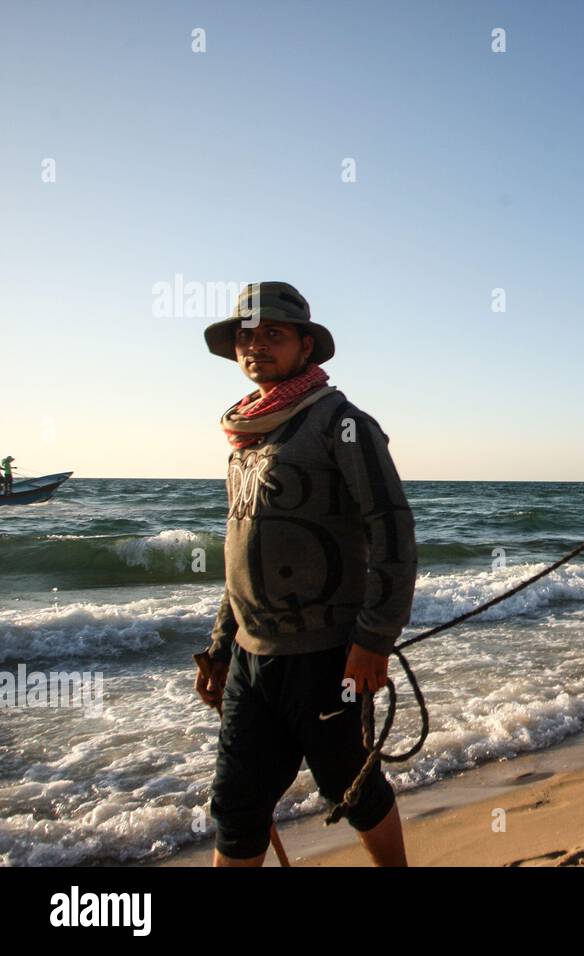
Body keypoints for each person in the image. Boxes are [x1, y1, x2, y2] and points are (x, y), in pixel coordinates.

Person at [193, 282, 416, 867]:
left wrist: (373, 641)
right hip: (250, 658)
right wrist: (220, 646)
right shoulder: (247, 434)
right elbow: (243, 548)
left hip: (329, 655)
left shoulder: (341, 423)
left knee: (354, 788)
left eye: (274, 334)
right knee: (237, 808)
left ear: (306, 345)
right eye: (246, 335)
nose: (255, 346)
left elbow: (391, 531)